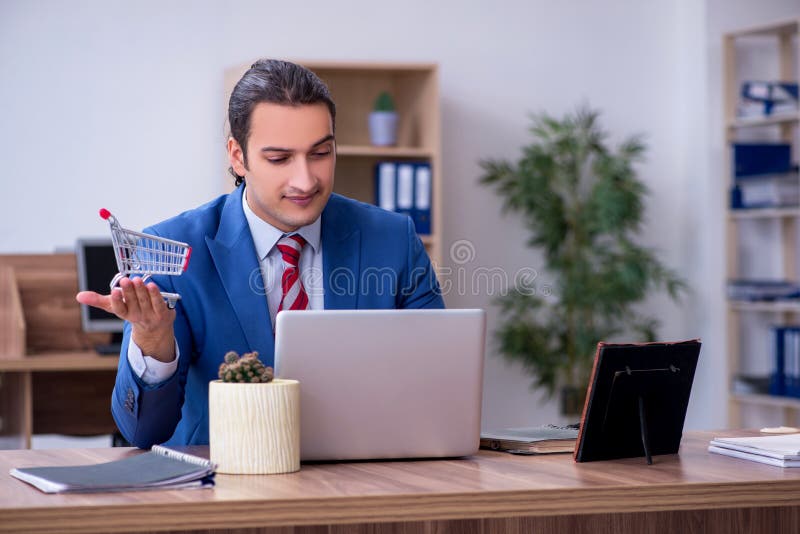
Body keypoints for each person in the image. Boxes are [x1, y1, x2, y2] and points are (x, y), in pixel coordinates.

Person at [76, 59, 444, 448]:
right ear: (238, 156)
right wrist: (153, 341)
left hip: (363, 481)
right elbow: (143, 433)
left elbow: (439, 382)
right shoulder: (172, 250)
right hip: (230, 491)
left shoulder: (393, 240)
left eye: (320, 153)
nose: (305, 180)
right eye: (279, 159)